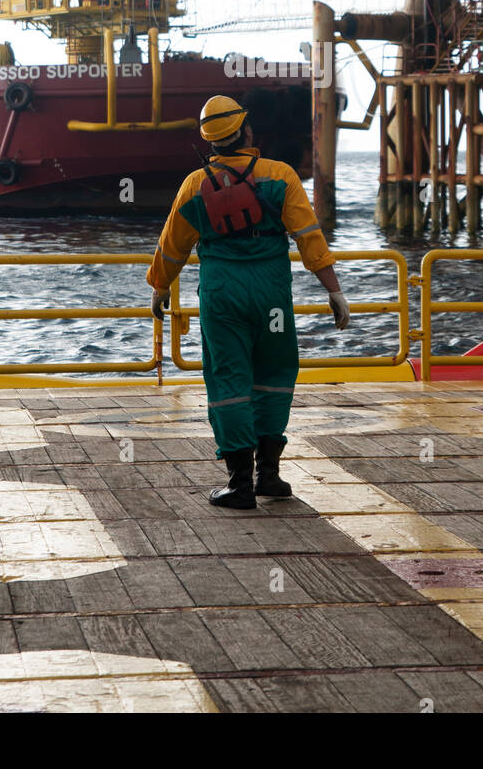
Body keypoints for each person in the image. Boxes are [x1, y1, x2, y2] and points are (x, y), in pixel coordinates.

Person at [146, 94, 350, 509]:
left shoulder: (192, 186)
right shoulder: (281, 176)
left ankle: (239, 483)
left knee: (228, 379)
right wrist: (335, 290)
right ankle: (269, 475)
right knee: (274, 373)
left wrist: (161, 287)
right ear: (245, 131)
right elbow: (310, 238)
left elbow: (172, 247)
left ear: (210, 141)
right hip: (271, 296)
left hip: (222, 296)